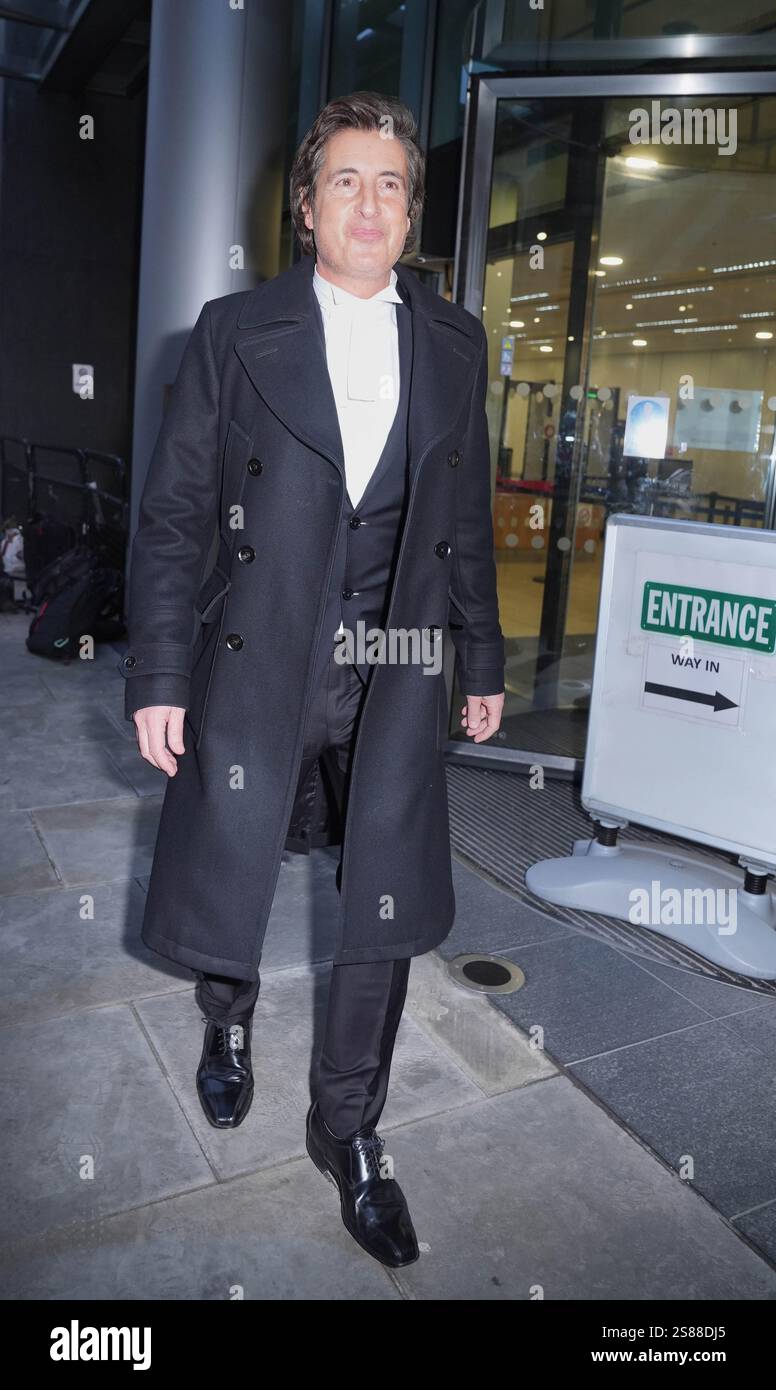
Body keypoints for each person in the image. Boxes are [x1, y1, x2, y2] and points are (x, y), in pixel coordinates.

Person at [121, 91, 505, 1269]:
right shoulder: (234, 330)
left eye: (391, 181)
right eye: (346, 178)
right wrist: (157, 671)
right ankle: (226, 1023)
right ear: (305, 206)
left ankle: (348, 1127)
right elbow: (178, 513)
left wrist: (478, 656)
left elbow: (462, 519)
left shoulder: (453, 339)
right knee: (236, 851)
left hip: (392, 658)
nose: (370, 201)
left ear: (410, 210)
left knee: (380, 899)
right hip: (262, 650)